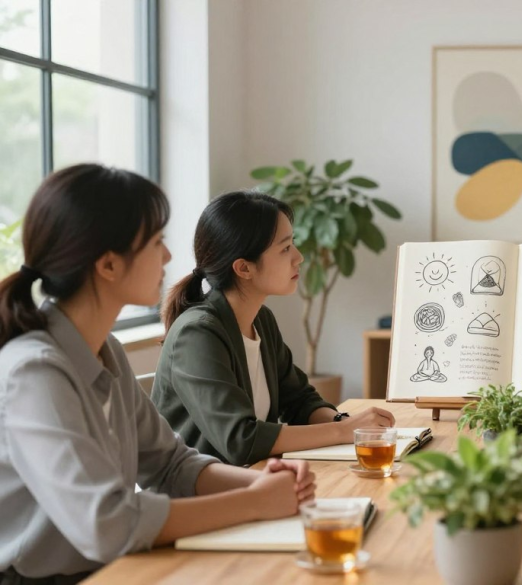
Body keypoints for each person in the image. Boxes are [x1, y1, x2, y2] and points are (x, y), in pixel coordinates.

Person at [0, 165, 315, 583]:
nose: (168, 256)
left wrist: (261, 485)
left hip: (115, 566)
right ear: (109, 265)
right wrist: (255, 502)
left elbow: (171, 465)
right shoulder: (34, 373)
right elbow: (106, 525)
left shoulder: (104, 349)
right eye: (155, 242)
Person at [152, 191, 394, 466]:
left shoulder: (261, 320)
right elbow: (241, 440)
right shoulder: (197, 334)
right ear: (244, 268)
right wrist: (341, 431)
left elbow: (300, 401)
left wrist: (349, 425)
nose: (299, 257)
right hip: (198, 500)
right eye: (285, 248)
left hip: (253, 480)